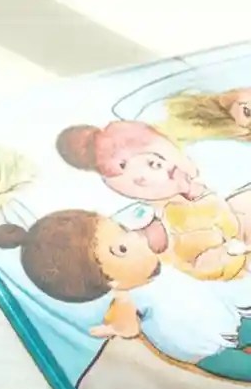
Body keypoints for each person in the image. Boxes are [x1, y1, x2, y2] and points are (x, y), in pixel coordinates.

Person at [0, 210, 251, 381]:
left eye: (125, 231)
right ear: (109, 279)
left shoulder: (161, 268)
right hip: (208, 348)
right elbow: (125, 323)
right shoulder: (128, 297)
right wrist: (117, 327)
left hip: (230, 320)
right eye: (122, 248)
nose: (137, 240)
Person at [57, 120, 248, 280]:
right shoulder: (178, 244)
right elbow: (209, 266)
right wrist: (231, 252)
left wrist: (192, 191)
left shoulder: (174, 204)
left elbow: (211, 205)